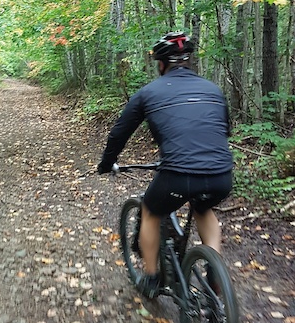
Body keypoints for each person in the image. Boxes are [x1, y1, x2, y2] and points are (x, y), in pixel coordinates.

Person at [97, 31, 233, 298]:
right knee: (203, 207)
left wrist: (107, 162)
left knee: (150, 210)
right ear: (188, 61)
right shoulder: (213, 89)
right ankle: (215, 273)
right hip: (221, 175)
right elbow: (224, 130)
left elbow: (119, 133)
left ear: (161, 64)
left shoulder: (148, 93)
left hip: (178, 175)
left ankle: (150, 276)